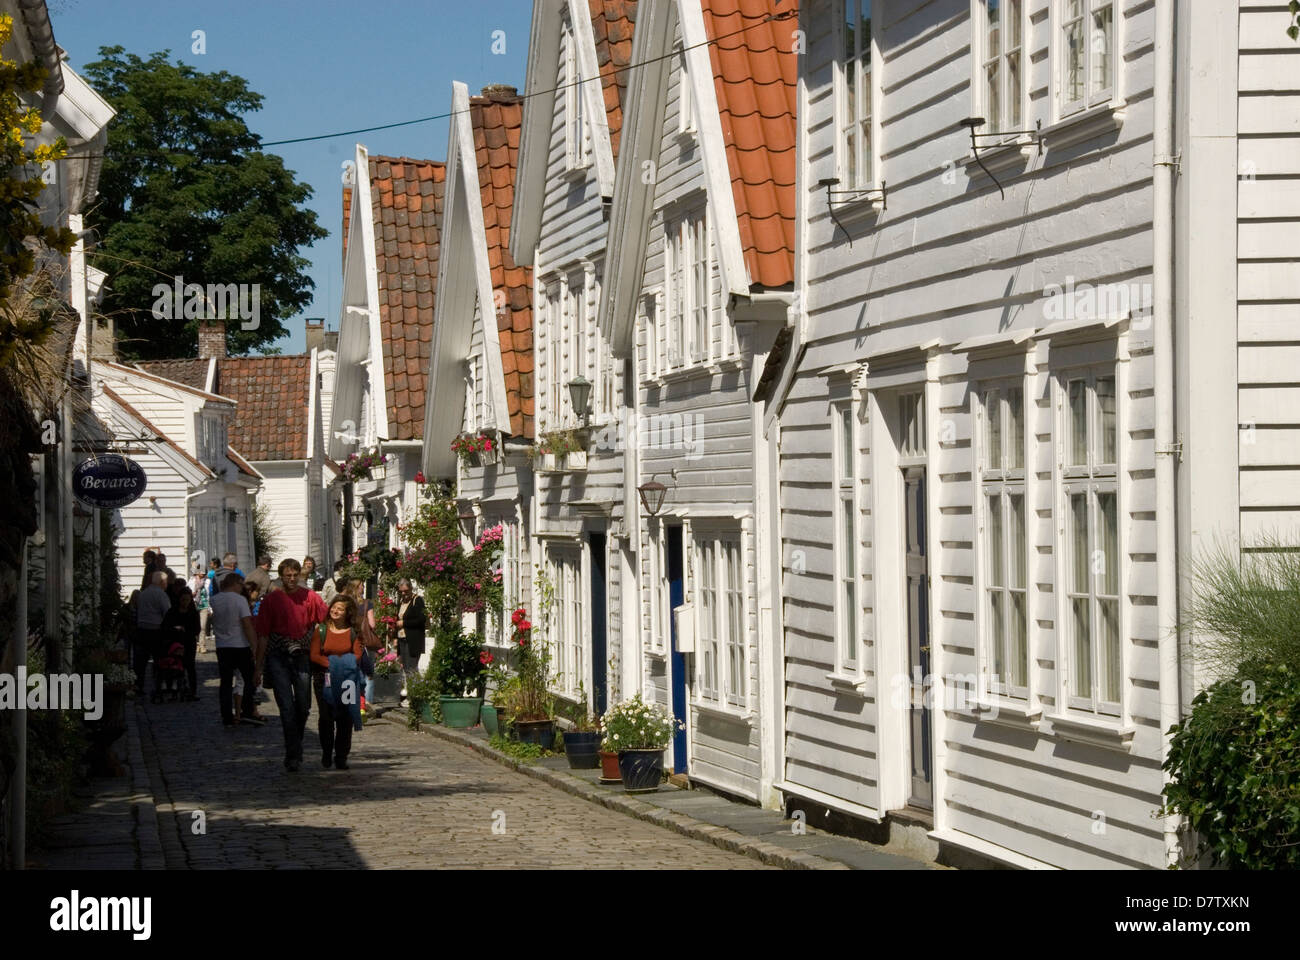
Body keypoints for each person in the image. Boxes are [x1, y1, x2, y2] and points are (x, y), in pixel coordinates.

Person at [256, 558, 328, 771]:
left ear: (300, 575)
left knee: (304, 706)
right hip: (278, 655)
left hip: (303, 655)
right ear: (281, 576)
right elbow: (263, 635)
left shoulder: (310, 597)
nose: (292, 579)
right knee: (286, 707)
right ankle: (293, 754)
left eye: (295, 575)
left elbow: (326, 622)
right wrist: (258, 666)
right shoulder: (272, 600)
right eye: (288, 575)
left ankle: (295, 745)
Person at [310, 595, 365, 769]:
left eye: (340, 609)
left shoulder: (353, 632)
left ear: (347, 613)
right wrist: (332, 664)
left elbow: (357, 654)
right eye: (334, 607)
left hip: (347, 680)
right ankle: (327, 752)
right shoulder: (321, 630)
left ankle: (341, 756)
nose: (335, 611)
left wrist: (342, 665)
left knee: (345, 718)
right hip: (324, 679)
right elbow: (314, 655)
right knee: (326, 717)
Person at [210, 572, 259, 726]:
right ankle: (246, 709)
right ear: (235, 584)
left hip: (222, 645)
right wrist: (255, 645)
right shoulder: (240, 600)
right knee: (250, 679)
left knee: (225, 682)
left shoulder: (214, 600)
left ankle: (227, 715)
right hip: (240, 644)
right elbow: (246, 624)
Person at [162, 587, 201, 702]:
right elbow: (165, 626)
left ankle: (192, 691)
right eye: (183, 600)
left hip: (189, 643)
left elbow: (196, 630)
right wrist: (175, 629)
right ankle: (174, 691)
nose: (185, 602)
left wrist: (186, 630)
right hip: (175, 642)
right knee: (174, 667)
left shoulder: (193, 613)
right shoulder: (172, 612)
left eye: (187, 600)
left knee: (190, 667)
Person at [135, 572, 171, 694]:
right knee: (159, 660)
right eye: (166, 582)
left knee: (141, 662)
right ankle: (158, 686)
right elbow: (167, 613)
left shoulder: (143, 593)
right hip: (156, 631)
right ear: (162, 583)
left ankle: (139, 686)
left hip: (141, 630)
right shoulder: (161, 594)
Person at [396, 579, 426, 677]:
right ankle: (409, 690)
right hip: (402, 639)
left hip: (413, 640)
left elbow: (421, 620)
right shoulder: (401, 602)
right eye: (401, 591)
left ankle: (415, 691)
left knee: (411, 669)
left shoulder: (417, 600)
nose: (404, 593)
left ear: (411, 588)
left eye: (406, 591)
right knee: (405, 668)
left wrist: (404, 623)